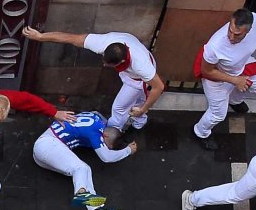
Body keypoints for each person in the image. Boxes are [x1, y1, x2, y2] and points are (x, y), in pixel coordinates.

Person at [20, 25, 162, 137]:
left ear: (122, 61)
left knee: (119, 108)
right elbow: (70, 38)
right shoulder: (100, 43)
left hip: (137, 79)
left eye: (109, 64)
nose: (104, 65)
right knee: (137, 102)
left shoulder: (141, 66)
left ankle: (111, 134)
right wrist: (40, 36)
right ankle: (139, 121)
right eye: (104, 60)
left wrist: (144, 109)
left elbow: (159, 87)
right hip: (133, 69)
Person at [191, 8, 256, 144]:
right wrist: (235, 80)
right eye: (230, 31)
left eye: (237, 35)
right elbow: (207, 71)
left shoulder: (255, 20)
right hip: (218, 78)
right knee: (218, 114)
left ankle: (234, 100)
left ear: (248, 30)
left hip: (241, 67)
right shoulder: (215, 46)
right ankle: (200, 133)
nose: (231, 37)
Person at [32, 110, 134, 210]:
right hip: (48, 145)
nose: (103, 146)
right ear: (105, 135)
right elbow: (106, 157)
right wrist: (128, 150)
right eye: (106, 144)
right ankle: (80, 193)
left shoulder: (98, 121)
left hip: (42, 155)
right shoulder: (96, 133)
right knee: (80, 168)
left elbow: (95, 113)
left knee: (85, 169)